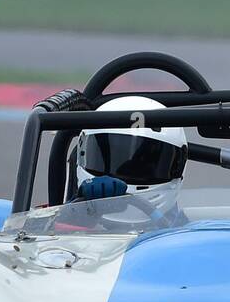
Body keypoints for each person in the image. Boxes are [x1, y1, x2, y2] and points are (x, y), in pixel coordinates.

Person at [70, 96, 188, 226]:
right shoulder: (65, 224)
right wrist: (73, 216)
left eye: (144, 164)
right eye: (117, 157)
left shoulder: (186, 235)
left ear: (177, 166)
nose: (121, 180)